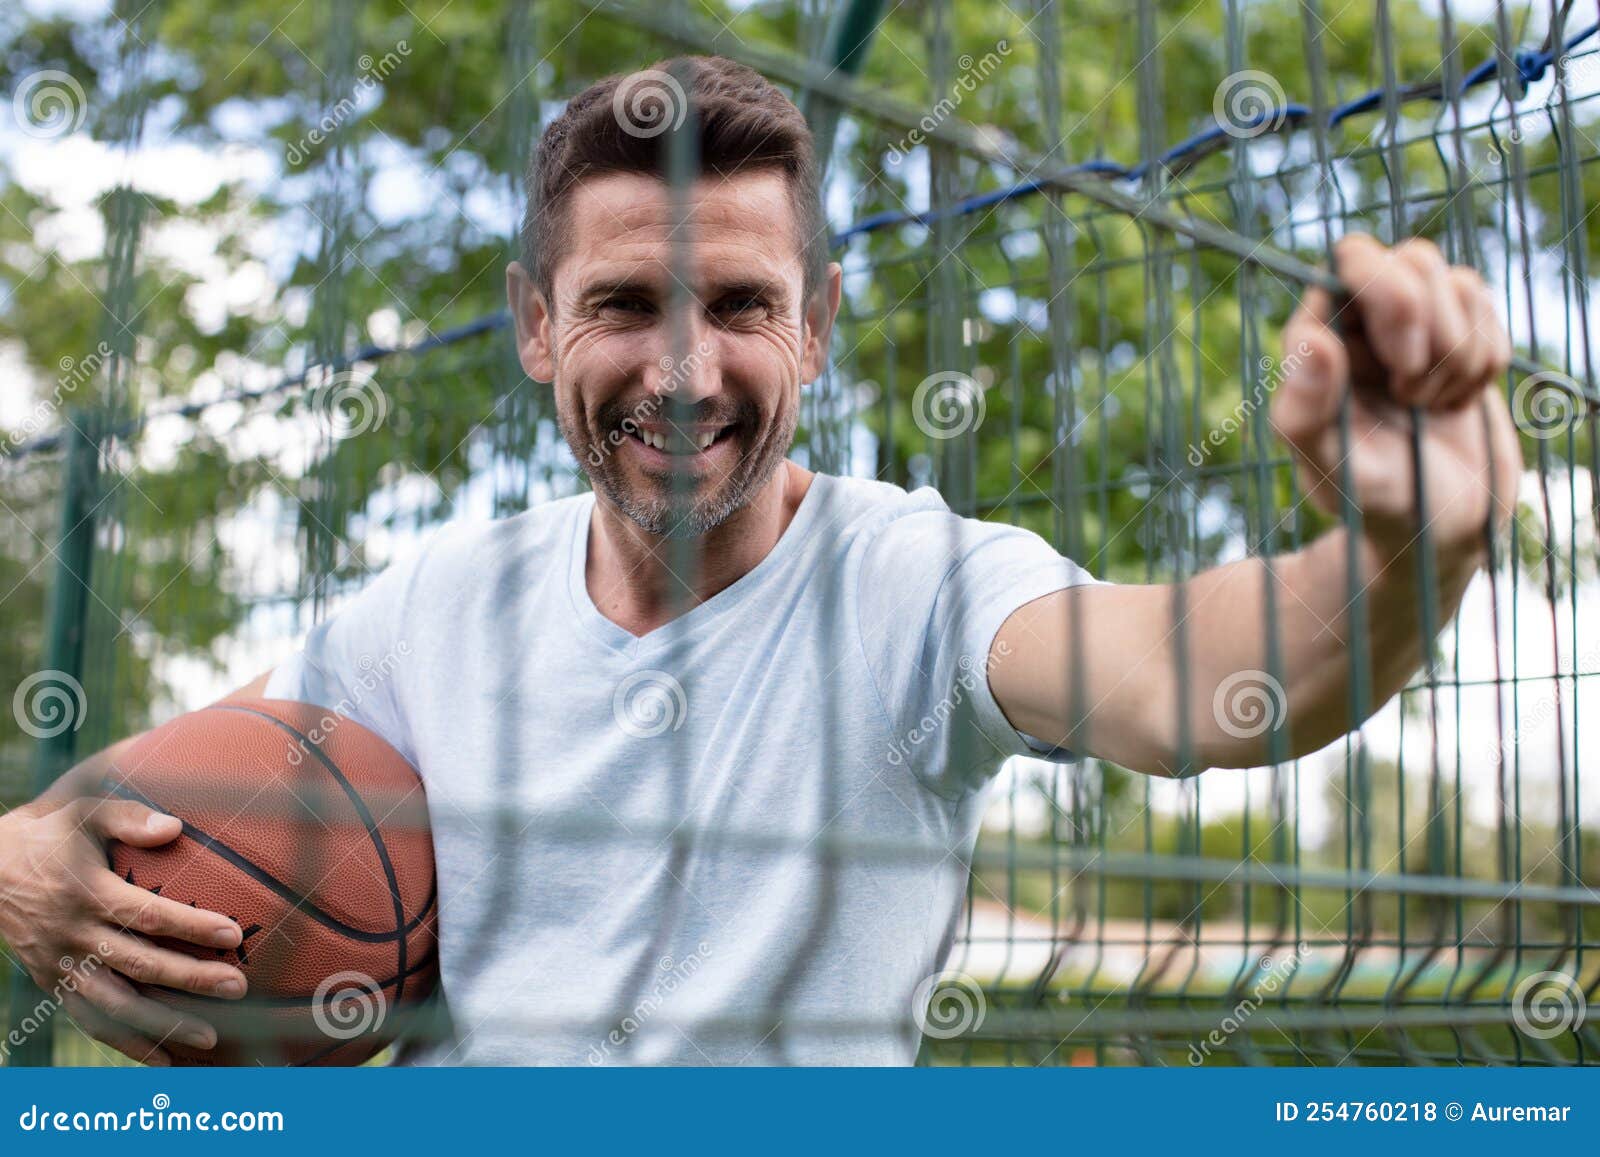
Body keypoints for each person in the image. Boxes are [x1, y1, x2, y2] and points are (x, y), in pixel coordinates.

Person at [0, 55, 1520, 1065]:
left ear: (818, 322)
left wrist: (1398, 552)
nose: (681, 366)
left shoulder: (919, 583)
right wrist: (23, 857)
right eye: (620, 305)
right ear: (536, 325)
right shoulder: (435, 605)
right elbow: (114, 804)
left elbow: (1187, 686)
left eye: (737, 302)